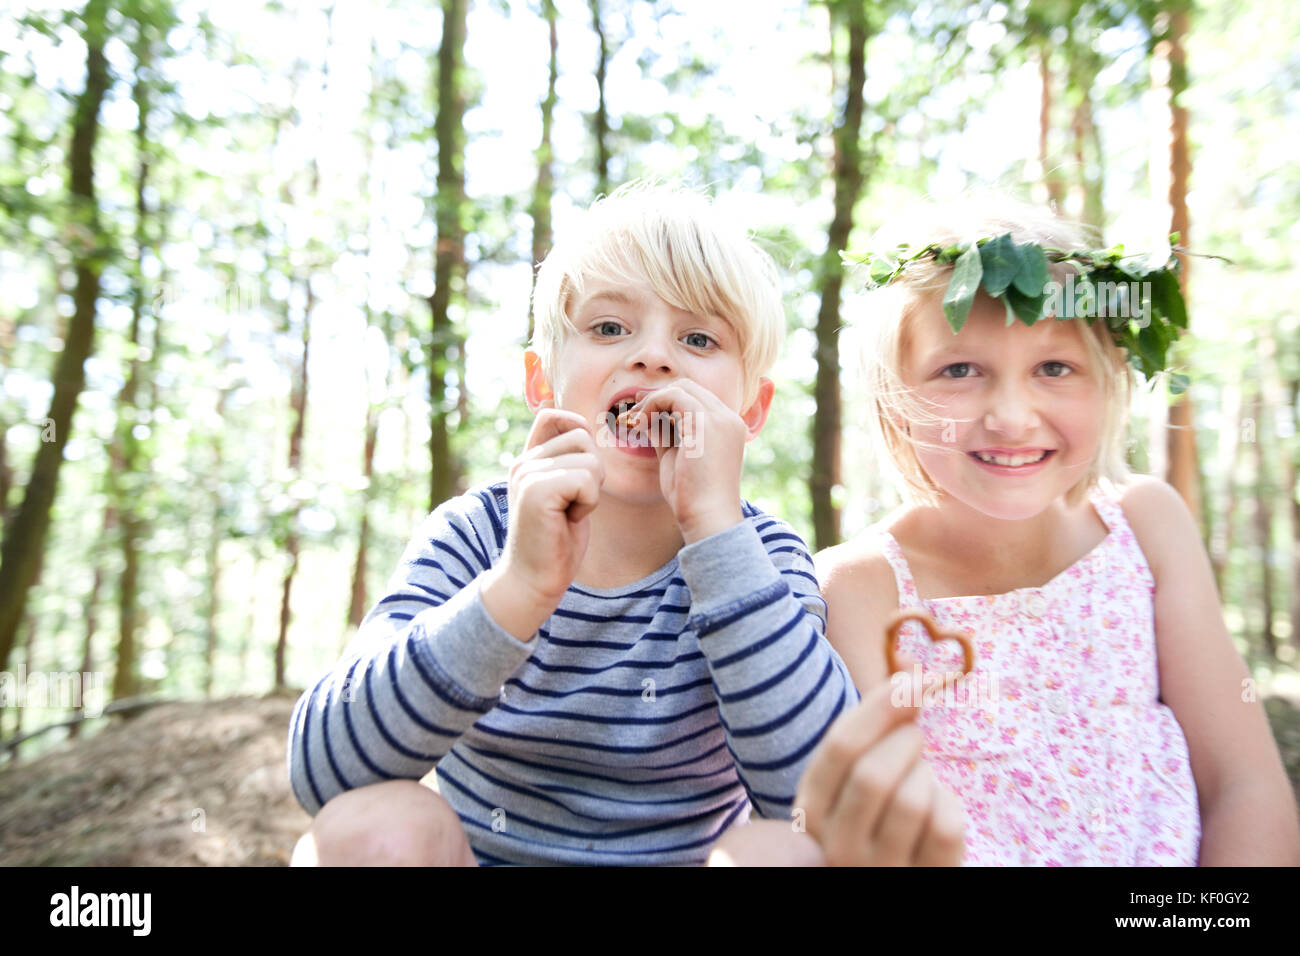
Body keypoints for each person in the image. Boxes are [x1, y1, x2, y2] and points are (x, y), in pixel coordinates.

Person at [285, 182, 964, 866]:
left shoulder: (764, 558)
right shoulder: (474, 536)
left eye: (698, 338)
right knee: (373, 825)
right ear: (543, 382)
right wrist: (517, 588)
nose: (653, 357)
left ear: (750, 412)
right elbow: (325, 771)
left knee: (779, 855)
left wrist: (717, 533)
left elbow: (818, 809)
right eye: (610, 328)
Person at [816, 198, 1300, 866]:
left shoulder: (1145, 525)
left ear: (1106, 382)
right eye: (959, 370)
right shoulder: (863, 585)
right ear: (893, 398)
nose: (1012, 416)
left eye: (1054, 368)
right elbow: (870, 834)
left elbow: (1244, 785)